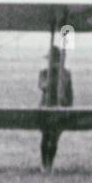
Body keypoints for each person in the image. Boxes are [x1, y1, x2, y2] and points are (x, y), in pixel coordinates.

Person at [38, 45, 73, 173]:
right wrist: (50, 81)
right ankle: (43, 164)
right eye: (51, 60)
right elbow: (42, 86)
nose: (51, 63)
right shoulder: (44, 73)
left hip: (60, 109)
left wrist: (68, 109)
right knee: (45, 136)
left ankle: (50, 165)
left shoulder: (66, 74)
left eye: (54, 60)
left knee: (54, 138)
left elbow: (70, 94)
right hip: (45, 109)